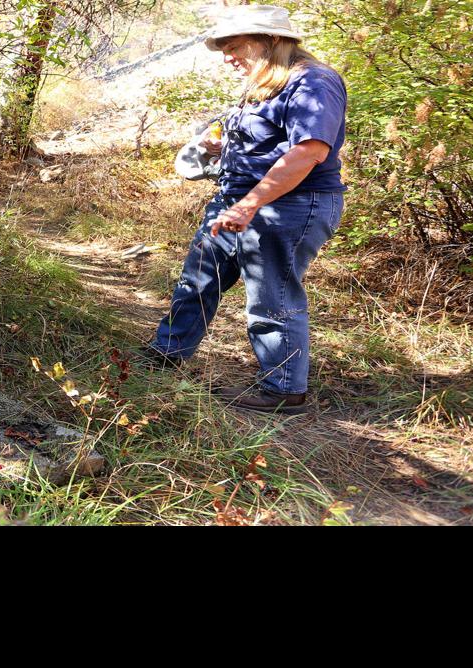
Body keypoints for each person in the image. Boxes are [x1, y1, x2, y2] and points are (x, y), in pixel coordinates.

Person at [139, 5, 347, 415]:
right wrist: (220, 146)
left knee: (272, 296)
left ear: (270, 40)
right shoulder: (263, 85)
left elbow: (308, 152)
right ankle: (167, 353)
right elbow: (265, 142)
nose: (228, 57)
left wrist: (251, 204)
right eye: (224, 50)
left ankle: (285, 390)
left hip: (287, 207)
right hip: (236, 201)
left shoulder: (313, 82)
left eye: (234, 47)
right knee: (198, 280)